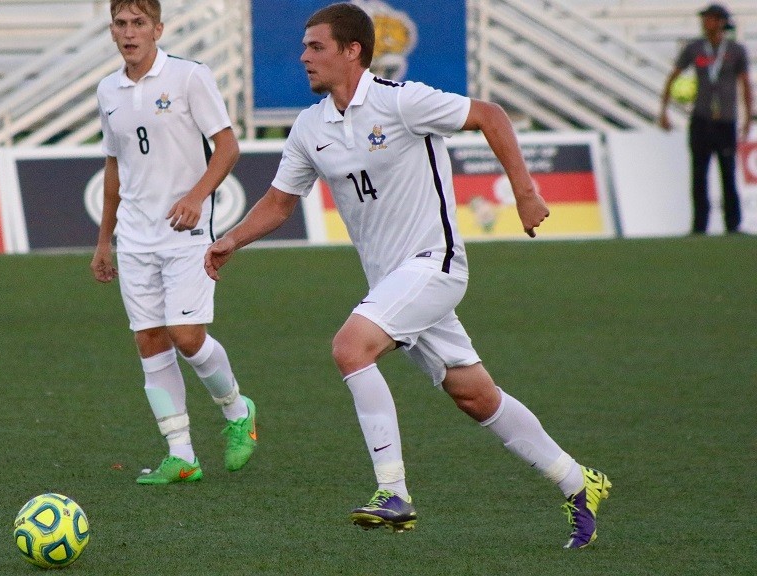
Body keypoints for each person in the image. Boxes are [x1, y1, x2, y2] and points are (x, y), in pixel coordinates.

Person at [205, 2, 610, 548]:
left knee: (351, 347)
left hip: (434, 264)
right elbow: (280, 204)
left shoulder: (403, 102)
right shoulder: (309, 126)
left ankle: (393, 492)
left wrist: (525, 191)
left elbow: (490, 114)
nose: (303, 56)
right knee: (474, 395)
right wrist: (231, 239)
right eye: (303, 46)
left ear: (353, 52)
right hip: (391, 285)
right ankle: (577, 482)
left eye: (316, 46)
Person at [91, 0, 257, 484]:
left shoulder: (189, 77)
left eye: (138, 23)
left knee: (186, 336)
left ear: (158, 28)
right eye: (120, 24)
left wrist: (196, 197)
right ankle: (181, 453)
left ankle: (236, 409)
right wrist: (105, 240)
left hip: (185, 234)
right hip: (135, 237)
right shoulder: (108, 90)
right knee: (149, 340)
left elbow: (228, 146)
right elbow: (114, 167)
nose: (129, 32)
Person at [659, 3, 753, 235]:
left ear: (721, 22)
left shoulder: (735, 51)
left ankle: (733, 225)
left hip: (725, 120)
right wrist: (664, 110)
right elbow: (673, 76)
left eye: (710, 19)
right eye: (704, 19)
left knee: (728, 174)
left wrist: (748, 116)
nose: (706, 23)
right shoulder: (694, 49)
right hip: (701, 120)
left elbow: (745, 84)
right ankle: (699, 226)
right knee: (699, 174)